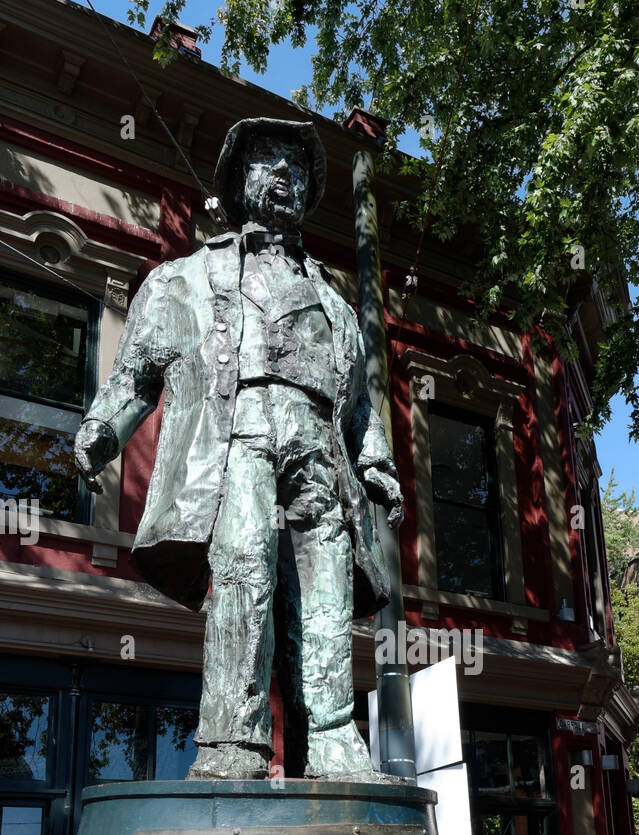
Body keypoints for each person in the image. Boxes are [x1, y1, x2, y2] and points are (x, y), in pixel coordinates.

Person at [73, 119, 403, 780]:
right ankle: (233, 741)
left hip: (316, 448)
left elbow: (359, 406)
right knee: (245, 565)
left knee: (326, 592)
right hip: (238, 438)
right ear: (239, 179)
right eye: (268, 160)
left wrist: (374, 464)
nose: (285, 173)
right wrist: (104, 427)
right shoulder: (184, 279)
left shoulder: (336, 307)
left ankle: (333, 736)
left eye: (298, 166)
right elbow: (138, 374)